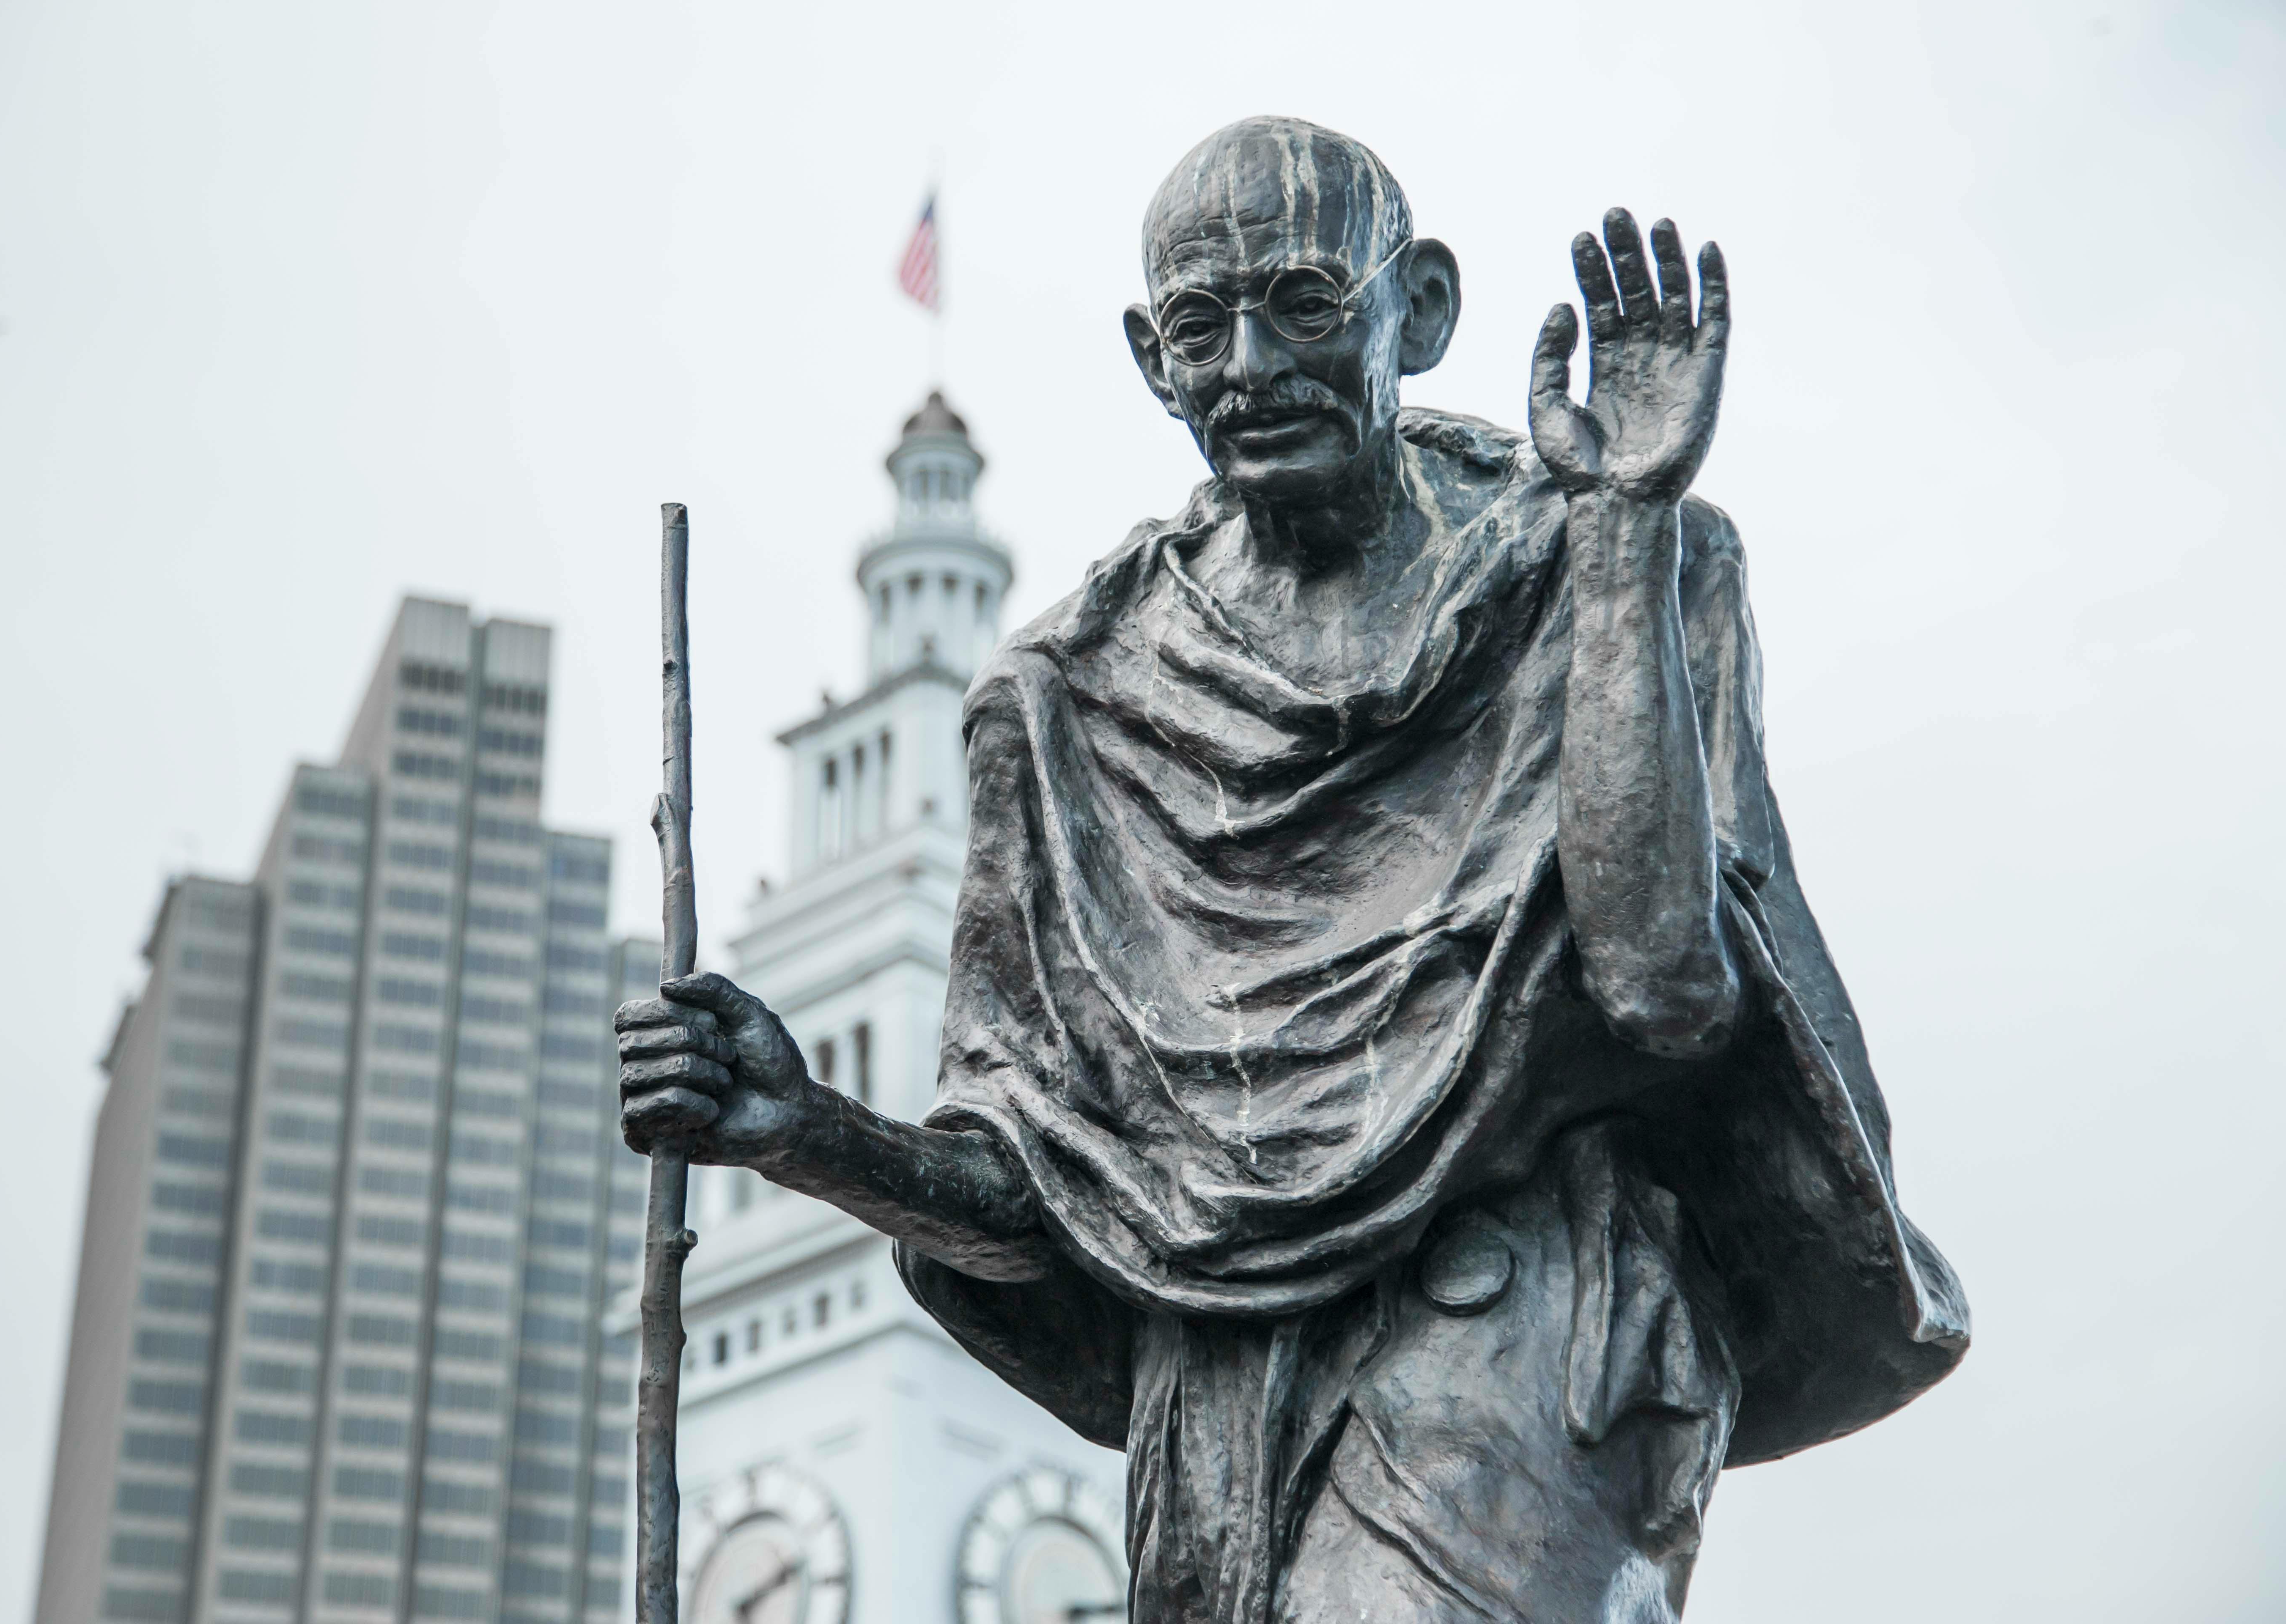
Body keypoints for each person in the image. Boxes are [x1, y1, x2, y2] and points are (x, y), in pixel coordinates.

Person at [618, 116, 1967, 1624]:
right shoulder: (1070, 700)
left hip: (1520, 1327)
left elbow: (1663, 986)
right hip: (1217, 1402)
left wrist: (1622, 534)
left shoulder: (1612, 553)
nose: (1252, 361)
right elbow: (1052, 1192)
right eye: (1201, 325)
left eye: (1307, 303)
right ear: (1152, 360)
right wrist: (808, 1131)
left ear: (1426, 308)